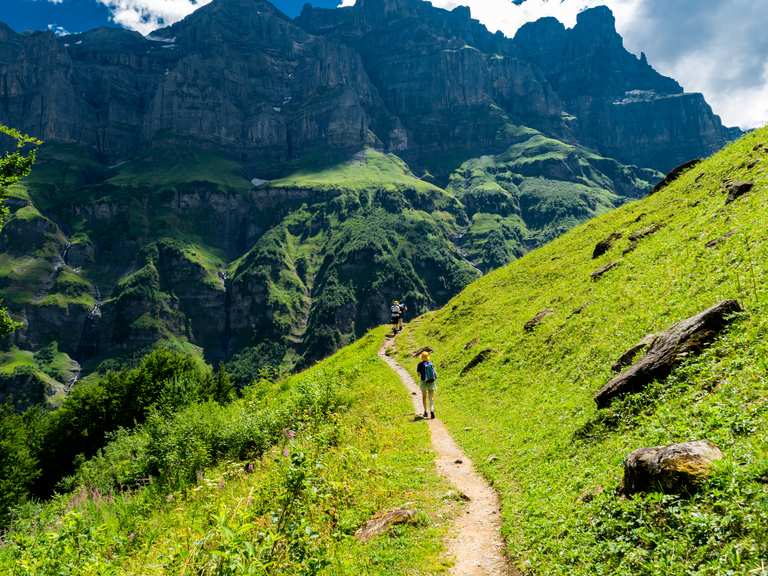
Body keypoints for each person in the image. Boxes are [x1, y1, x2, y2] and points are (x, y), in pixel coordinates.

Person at [416, 351, 437, 419]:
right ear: (428, 357)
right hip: (431, 382)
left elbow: (418, 374)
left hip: (424, 382)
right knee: (431, 398)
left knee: (424, 397)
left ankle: (425, 412)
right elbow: (434, 374)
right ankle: (432, 411)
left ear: (421, 357)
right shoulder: (431, 363)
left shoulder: (419, 364)